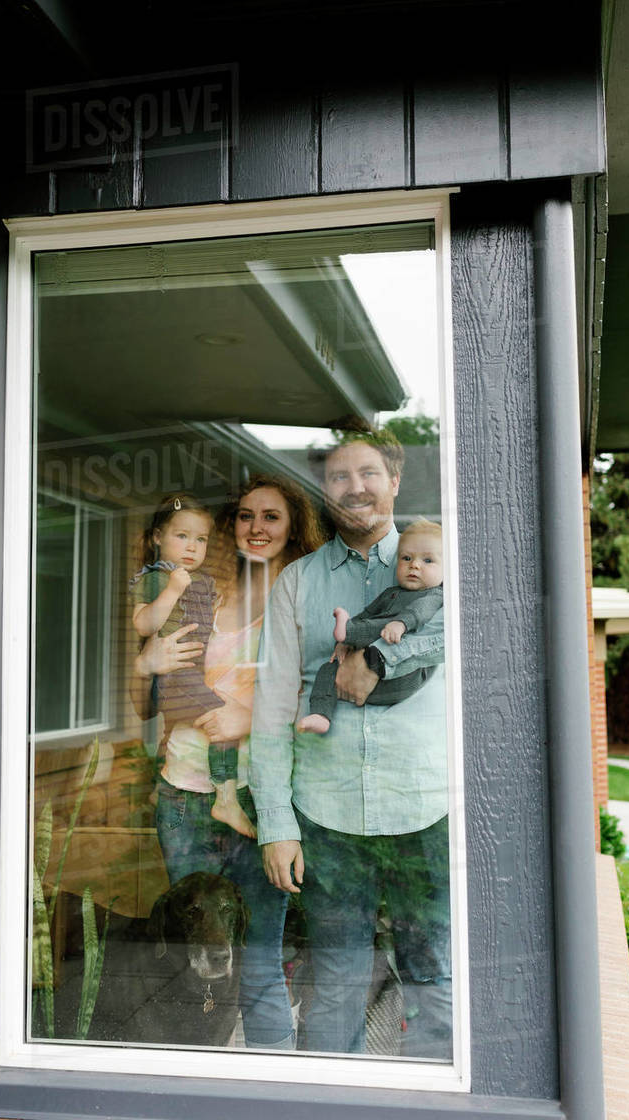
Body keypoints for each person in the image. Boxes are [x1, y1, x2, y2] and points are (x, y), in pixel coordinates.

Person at [250, 431, 452, 1058]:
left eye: (368, 473)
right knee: (335, 981)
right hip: (327, 814)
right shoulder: (298, 584)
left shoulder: (447, 567)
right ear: (324, 490)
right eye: (339, 476)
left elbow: (466, 647)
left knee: (434, 975)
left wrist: (384, 658)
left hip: (427, 806)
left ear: (395, 481)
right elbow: (274, 704)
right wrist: (275, 823)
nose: (355, 487)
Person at [132, 475, 324, 1050]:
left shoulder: (306, 599)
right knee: (196, 959)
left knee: (259, 958)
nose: (256, 527)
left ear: (293, 528)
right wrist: (147, 662)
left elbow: (332, 692)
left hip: (259, 799)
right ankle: (198, 1083)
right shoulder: (202, 593)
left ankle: (274, 1098)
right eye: (245, 516)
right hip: (183, 794)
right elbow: (155, 687)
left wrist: (256, 715)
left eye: (271, 516)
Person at [131, 493, 255, 838]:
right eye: (181, 536)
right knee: (224, 722)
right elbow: (143, 624)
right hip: (176, 680)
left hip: (192, 678)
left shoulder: (201, 580)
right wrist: (172, 590)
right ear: (157, 537)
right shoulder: (154, 577)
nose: (192, 547)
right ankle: (226, 799)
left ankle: (225, 796)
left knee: (223, 725)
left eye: (200, 539)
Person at [297, 519, 444, 735]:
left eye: (428, 560)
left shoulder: (434, 596)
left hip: (402, 679)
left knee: (383, 624)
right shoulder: (391, 593)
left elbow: (418, 613)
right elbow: (368, 614)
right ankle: (321, 714)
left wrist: (401, 624)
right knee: (328, 668)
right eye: (406, 558)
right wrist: (345, 642)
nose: (414, 565)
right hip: (368, 682)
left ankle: (348, 630)